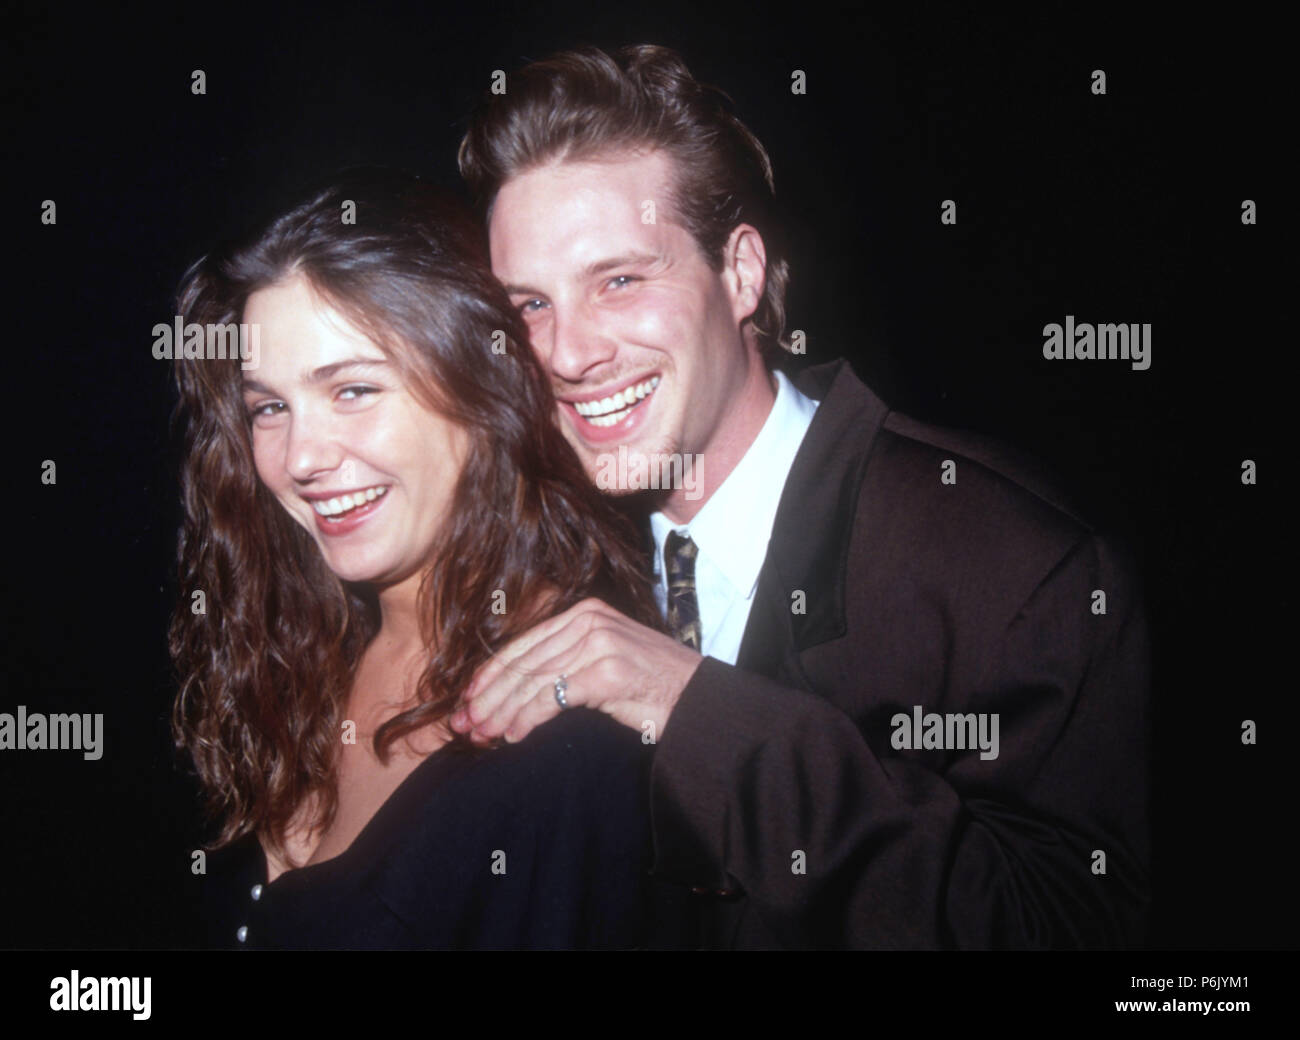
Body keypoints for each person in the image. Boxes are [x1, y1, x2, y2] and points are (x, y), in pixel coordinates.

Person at [451, 44, 1152, 949]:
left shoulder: (1011, 560)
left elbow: (1070, 930)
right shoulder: (543, 549)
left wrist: (697, 709)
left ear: (741, 273)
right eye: (529, 307)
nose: (569, 354)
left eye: (620, 280)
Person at [167, 166, 684, 950]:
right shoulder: (308, 654)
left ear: (482, 390)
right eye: (269, 408)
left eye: (353, 391)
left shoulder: (561, 741)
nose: (300, 458)